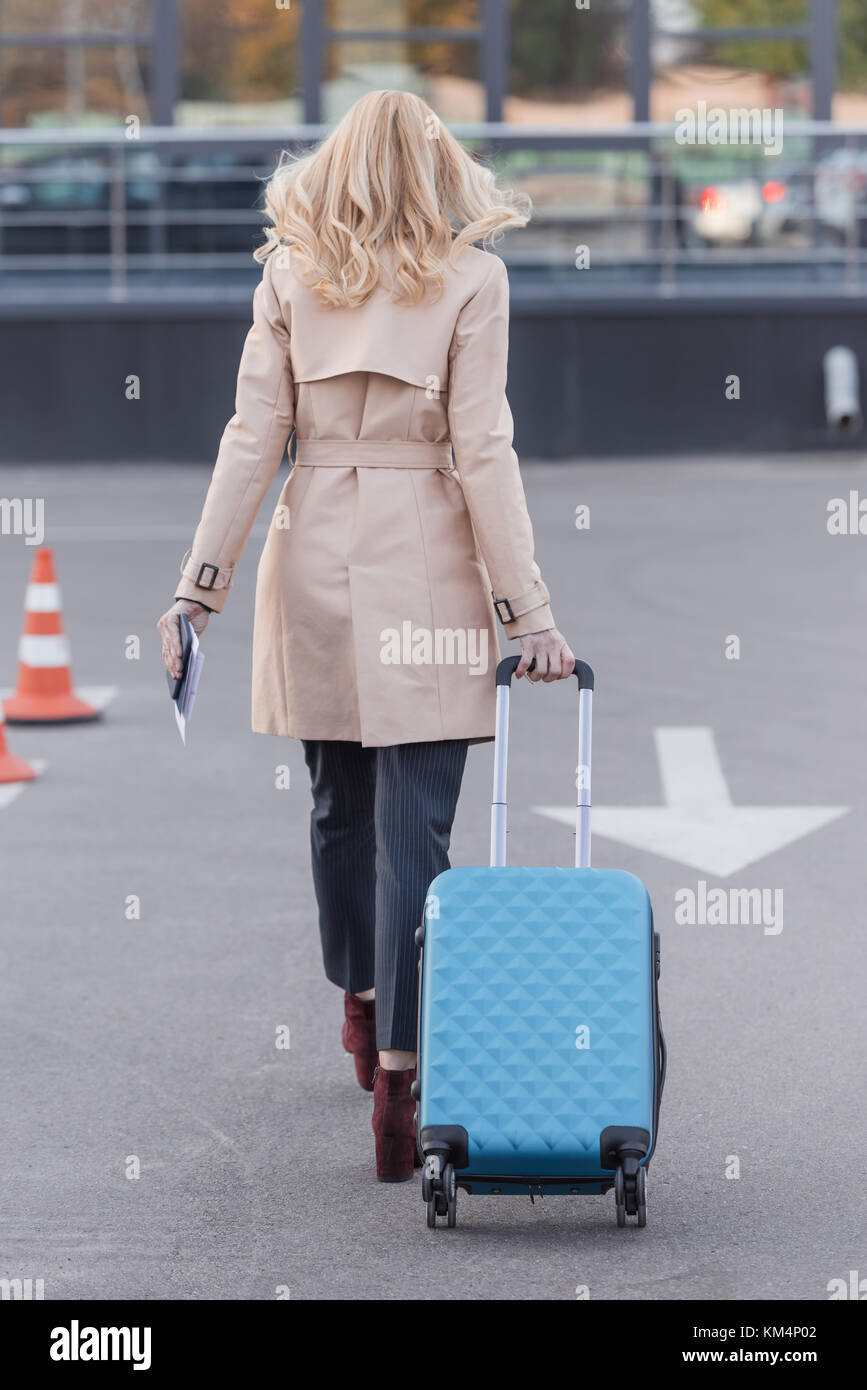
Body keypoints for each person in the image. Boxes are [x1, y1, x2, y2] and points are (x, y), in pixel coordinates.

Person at [157, 90, 574, 1183]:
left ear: (333, 171)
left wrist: (197, 588)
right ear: (445, 174)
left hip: (312, 546)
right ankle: (402, 1072)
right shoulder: (474, 281)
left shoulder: (293, 273)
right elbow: (484, 451)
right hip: (427, 558)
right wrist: (528, 613)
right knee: (414, 828)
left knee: (336, 798)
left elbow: (254, 437)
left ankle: (358, 995)